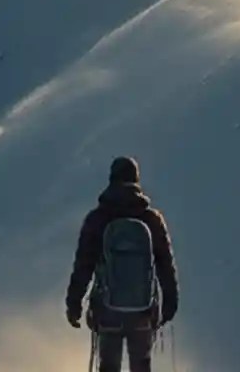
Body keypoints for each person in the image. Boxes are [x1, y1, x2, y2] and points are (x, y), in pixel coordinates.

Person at [66, 157, 179, 372]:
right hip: (143, 310)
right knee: (141, 365)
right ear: (136, 180)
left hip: (107, 309)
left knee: (108, 366)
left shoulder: (97, 219)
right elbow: (165, 264)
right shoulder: (152, 220)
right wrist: (170, 303)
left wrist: (74, 303)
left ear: (111, 180)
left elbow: (83, 265)